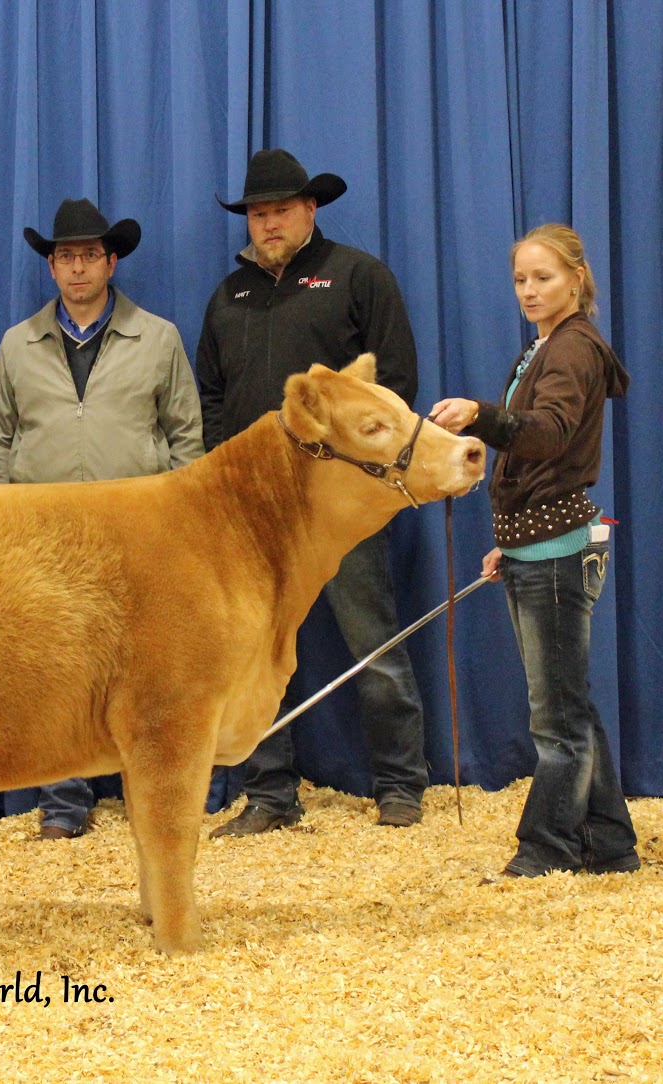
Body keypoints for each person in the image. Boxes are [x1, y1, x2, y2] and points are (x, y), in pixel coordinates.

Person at [197, 148, 430, 835]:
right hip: (255, 510)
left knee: (371, 640)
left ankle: (400, 784)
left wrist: (352, 472)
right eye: (257, 214)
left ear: (310, 209)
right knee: (255, 653)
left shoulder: (358, 276)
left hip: (340, 503)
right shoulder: (229, 296)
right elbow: (212, 395)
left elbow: (394, 388)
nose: (268, 224)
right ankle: (269, 793)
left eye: (280, 210)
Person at [0, 198, 204, 840]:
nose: (77, 267)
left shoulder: (158, 337)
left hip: (137, 528)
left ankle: (149, 788)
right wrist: (5, 511)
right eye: (65, 257)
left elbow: (185, 432)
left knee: (147, 663)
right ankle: (64, 801)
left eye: (88, 255)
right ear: (51, 268)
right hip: (44, 531)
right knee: (55, 664)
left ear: (111, 263)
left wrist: (177, 519)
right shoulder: (18, 343)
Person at [429, 223, 638, 878]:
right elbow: (537, 455)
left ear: (576, 279)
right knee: (567, 703)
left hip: (555, 552)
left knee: (557, 717)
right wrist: (510, 544)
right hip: (538, 545)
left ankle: (548, 847)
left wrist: (479, 415)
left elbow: (547, 436)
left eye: (543, 277)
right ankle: (609, 842)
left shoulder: (572, 349)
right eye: (521, 279)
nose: (529, 289)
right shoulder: (547, 345)